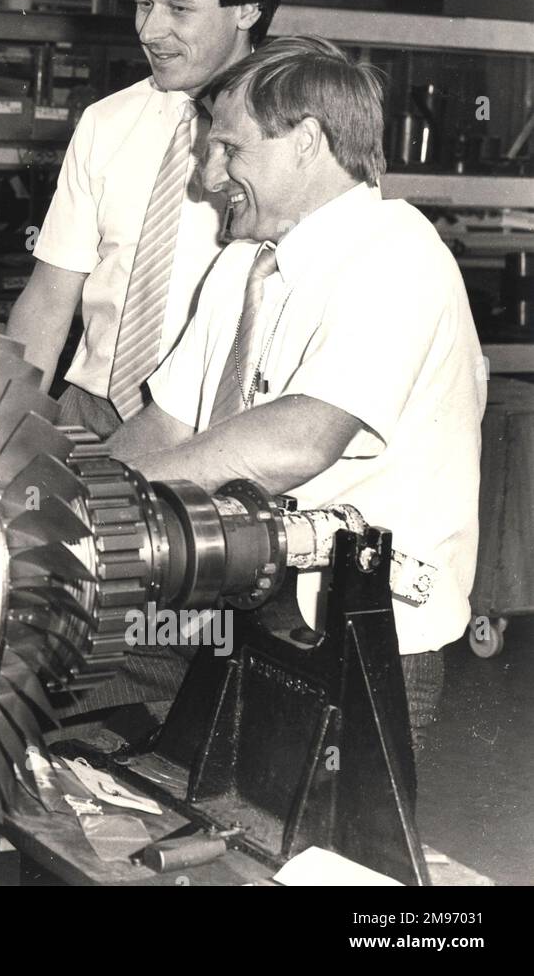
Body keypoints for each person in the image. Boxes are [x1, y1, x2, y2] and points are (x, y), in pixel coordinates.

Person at [107, 36, 485, 744]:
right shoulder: (245, 263)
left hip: (352, 643)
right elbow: (168, 424)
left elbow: (301, 440)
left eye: (230, 151)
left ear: (307, 141)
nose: (208, 177)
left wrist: (102, 513)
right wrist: (73, 500)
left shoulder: (398, 258)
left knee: (311, 851)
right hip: (230, 612)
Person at [7, 0, 289, 437]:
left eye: (179, 9)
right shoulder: (105, 123)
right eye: (142, 3)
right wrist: (7, 427)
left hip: (215, 429)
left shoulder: (298, 136)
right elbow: (48, 298)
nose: (149, 30)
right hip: (91, 414)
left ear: (248, 8)